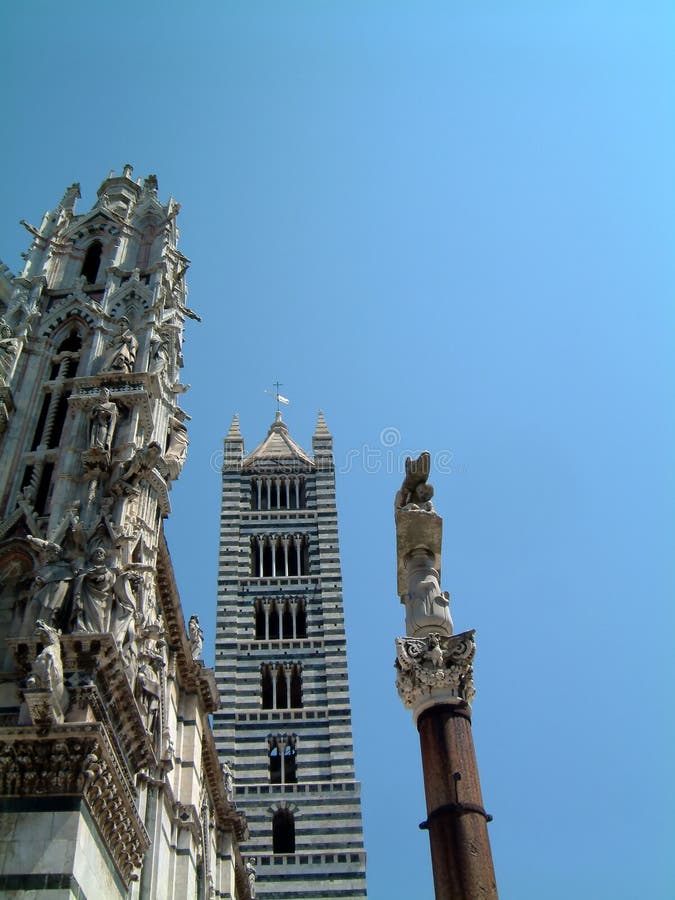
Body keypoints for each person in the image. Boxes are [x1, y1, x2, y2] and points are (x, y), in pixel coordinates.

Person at [72, 547, 116, 633]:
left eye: (101, 553)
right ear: (92, 556)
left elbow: (110, 582)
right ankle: (83, 628)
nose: (99, 555)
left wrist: (101, 578)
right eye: (97, 553)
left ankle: (98, 631)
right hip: (86, 595)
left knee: (98, 614)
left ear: (104, 558)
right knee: (84, 612)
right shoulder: (87, 568)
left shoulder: (107, 571)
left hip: (100, 597)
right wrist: (86, 576)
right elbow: (78, 578)